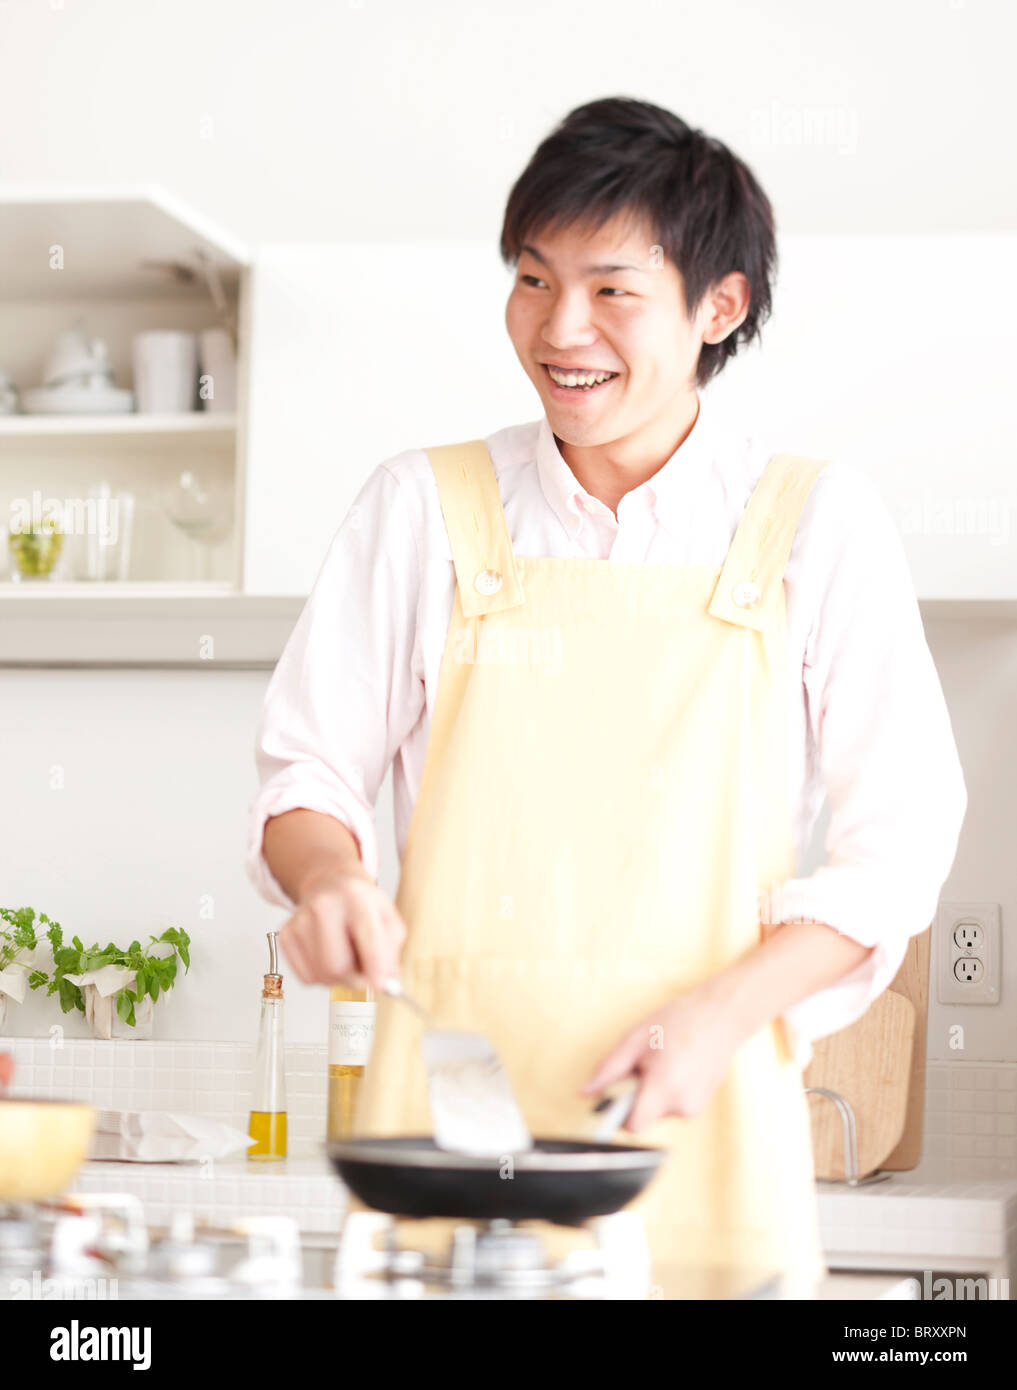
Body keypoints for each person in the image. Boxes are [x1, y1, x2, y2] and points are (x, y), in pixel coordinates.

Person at [246, 96, 967, 1290]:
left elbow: (898, 850)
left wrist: (725, 1015)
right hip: (447, 1130)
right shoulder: (421, 508)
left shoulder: (810, 527)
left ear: (718, 306)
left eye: (611, 289)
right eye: (532, 279)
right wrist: (328, 879)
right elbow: (306, 776)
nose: (558, 326)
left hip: (706, 1109)